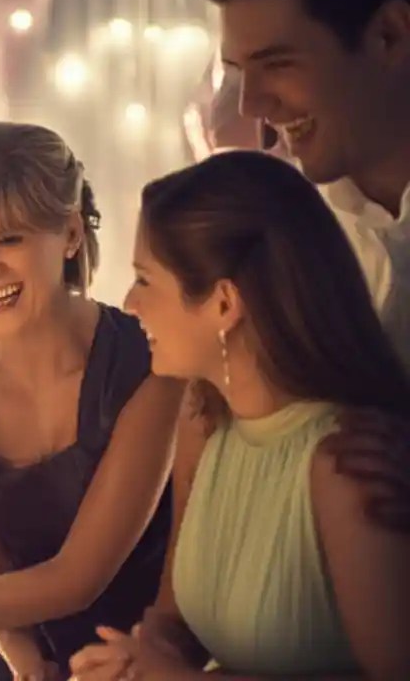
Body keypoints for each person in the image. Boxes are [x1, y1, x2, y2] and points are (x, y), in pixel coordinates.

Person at [70, 151, 410, 680]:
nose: (130, 304)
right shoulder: (203, 420)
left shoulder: (346, 467)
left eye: (144, 280)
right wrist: (138, 657)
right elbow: (174, 618)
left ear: (225, 304)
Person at [0, 122, 183, 681]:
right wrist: (28, 664)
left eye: (8, 239)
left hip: (137, 665)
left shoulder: (152, 360)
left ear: (72, 234)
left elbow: (79, 578)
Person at [193, 0, 410, 369]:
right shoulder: (289, 243)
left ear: (389, 36)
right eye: (238, 71)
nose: (251, 105)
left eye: (277, 64)